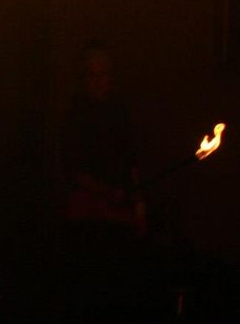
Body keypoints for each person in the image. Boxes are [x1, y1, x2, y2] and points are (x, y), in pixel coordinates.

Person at [57, 40, 145, 318]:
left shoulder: (119, 113)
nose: (98, 81)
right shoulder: (76, 114)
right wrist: (106, 192)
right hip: (88, 218)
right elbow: (73, 169)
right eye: (91, 75)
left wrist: (139, 204)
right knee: (88, 290)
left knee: (117, 292)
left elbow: (131, 160)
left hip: (118, 216)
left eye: (103, 74)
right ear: (84, 78)